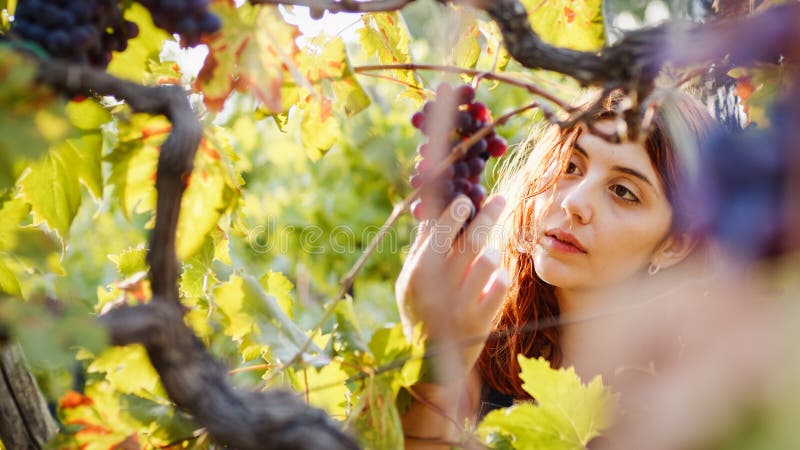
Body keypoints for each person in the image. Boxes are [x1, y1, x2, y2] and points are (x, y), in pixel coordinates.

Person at [395, 88, 718, 448]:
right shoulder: (478, 347)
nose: (574, 202)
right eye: (570, 166)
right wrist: (432, 370)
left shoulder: (692, 411)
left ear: (675, 244)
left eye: (623, 191)